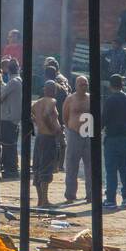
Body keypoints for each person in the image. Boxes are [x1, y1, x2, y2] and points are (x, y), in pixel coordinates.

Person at [103, 73, 126, 209]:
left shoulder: (110, 100)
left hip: (112, 138)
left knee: (111, 170)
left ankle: (111, 199)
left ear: (111, 86)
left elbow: (104, 119)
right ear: (122, 85)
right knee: (125, 169)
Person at [31, 81, 62, 207]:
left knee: (38, 166)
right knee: (46, 167)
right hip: (48, 137)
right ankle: (45, 200)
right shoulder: (51, 101)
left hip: (40, 136)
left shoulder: (37, 103)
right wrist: (53, 129)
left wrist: (38, 124)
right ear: (52, 90)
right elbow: (46, 114)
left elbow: (32, 114)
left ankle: (40, 200)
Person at [62, 75, 92, 203]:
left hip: (88, 134)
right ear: (76, 85)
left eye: (86, 84)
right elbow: (65, 116)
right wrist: (71, 128)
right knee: (72, 165)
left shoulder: (90, 98)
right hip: (74, 134)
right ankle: (70, 194)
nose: (84, 86)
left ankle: (90, 194)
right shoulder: (70, 99)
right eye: (81, 84)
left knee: (90, 166)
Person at [0, 58, 22, 177]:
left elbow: (0, 97)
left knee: (7, 144)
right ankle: (9, 167)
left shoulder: (14, 82)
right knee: (10, 143)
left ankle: (10, 169)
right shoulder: (18, 80)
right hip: (13, 117)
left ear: (8, 70)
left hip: (8, 117)